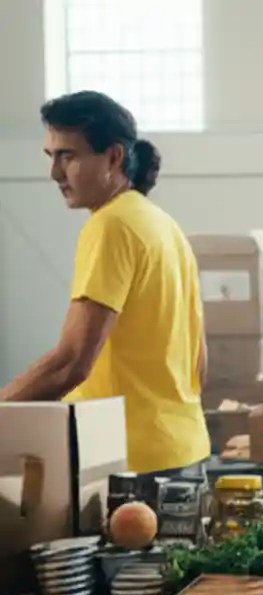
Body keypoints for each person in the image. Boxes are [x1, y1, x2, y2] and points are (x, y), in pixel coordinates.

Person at [0, 91, 209, 479]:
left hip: (133, 465)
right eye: (51, 157)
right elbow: (200, 359)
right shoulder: (162, 225)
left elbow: (71, 362)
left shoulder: (111, 225)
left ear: (113, 157)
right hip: (183, 451)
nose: (55, 173)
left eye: (69, 156)